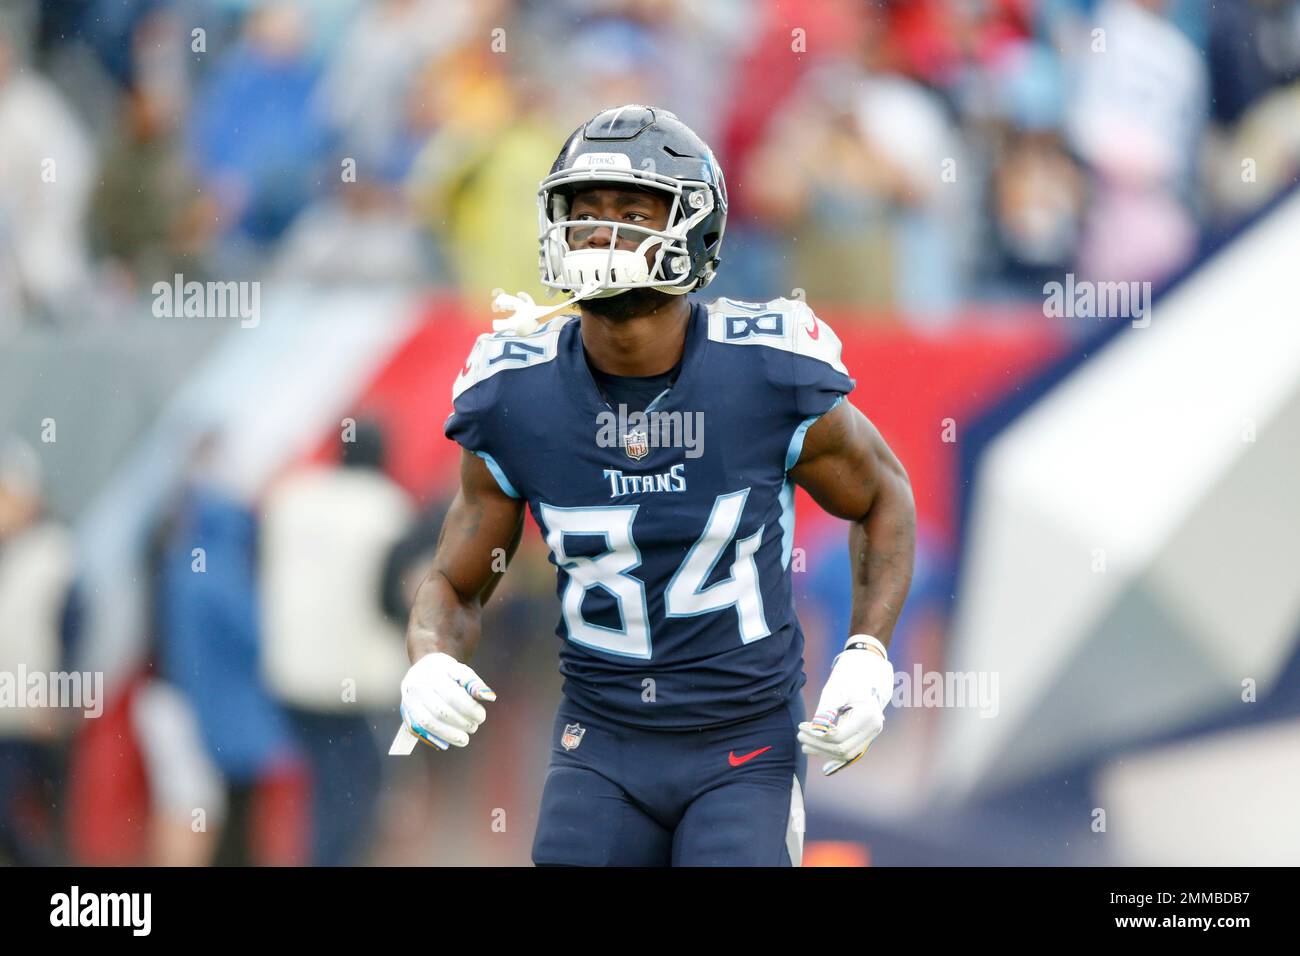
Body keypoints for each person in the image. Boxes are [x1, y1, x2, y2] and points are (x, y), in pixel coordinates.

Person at [396, 106, 916, 866]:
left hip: (744, 748)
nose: (600, 235)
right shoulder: (516, 392)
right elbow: (453, 578)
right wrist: (429, 655)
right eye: (585, 214)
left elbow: (883, 496)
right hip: (599, 747)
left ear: (693, 232)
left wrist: (868, 653)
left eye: (632, 213)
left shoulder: (767, 371)